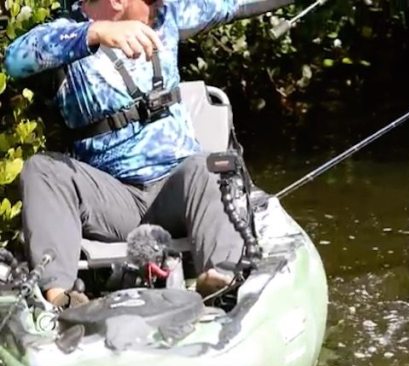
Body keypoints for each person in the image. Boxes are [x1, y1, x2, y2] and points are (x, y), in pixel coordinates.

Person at [3, 0, 289, 308]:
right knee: (41, 169)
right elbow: (15, 59)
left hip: (178, 191)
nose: (161, 4)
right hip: (113, 202)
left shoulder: (169, 16)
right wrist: (97, 32)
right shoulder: (66, 32)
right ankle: (61, 300)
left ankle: (220, 282)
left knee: (211, 164)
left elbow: (234, 4)